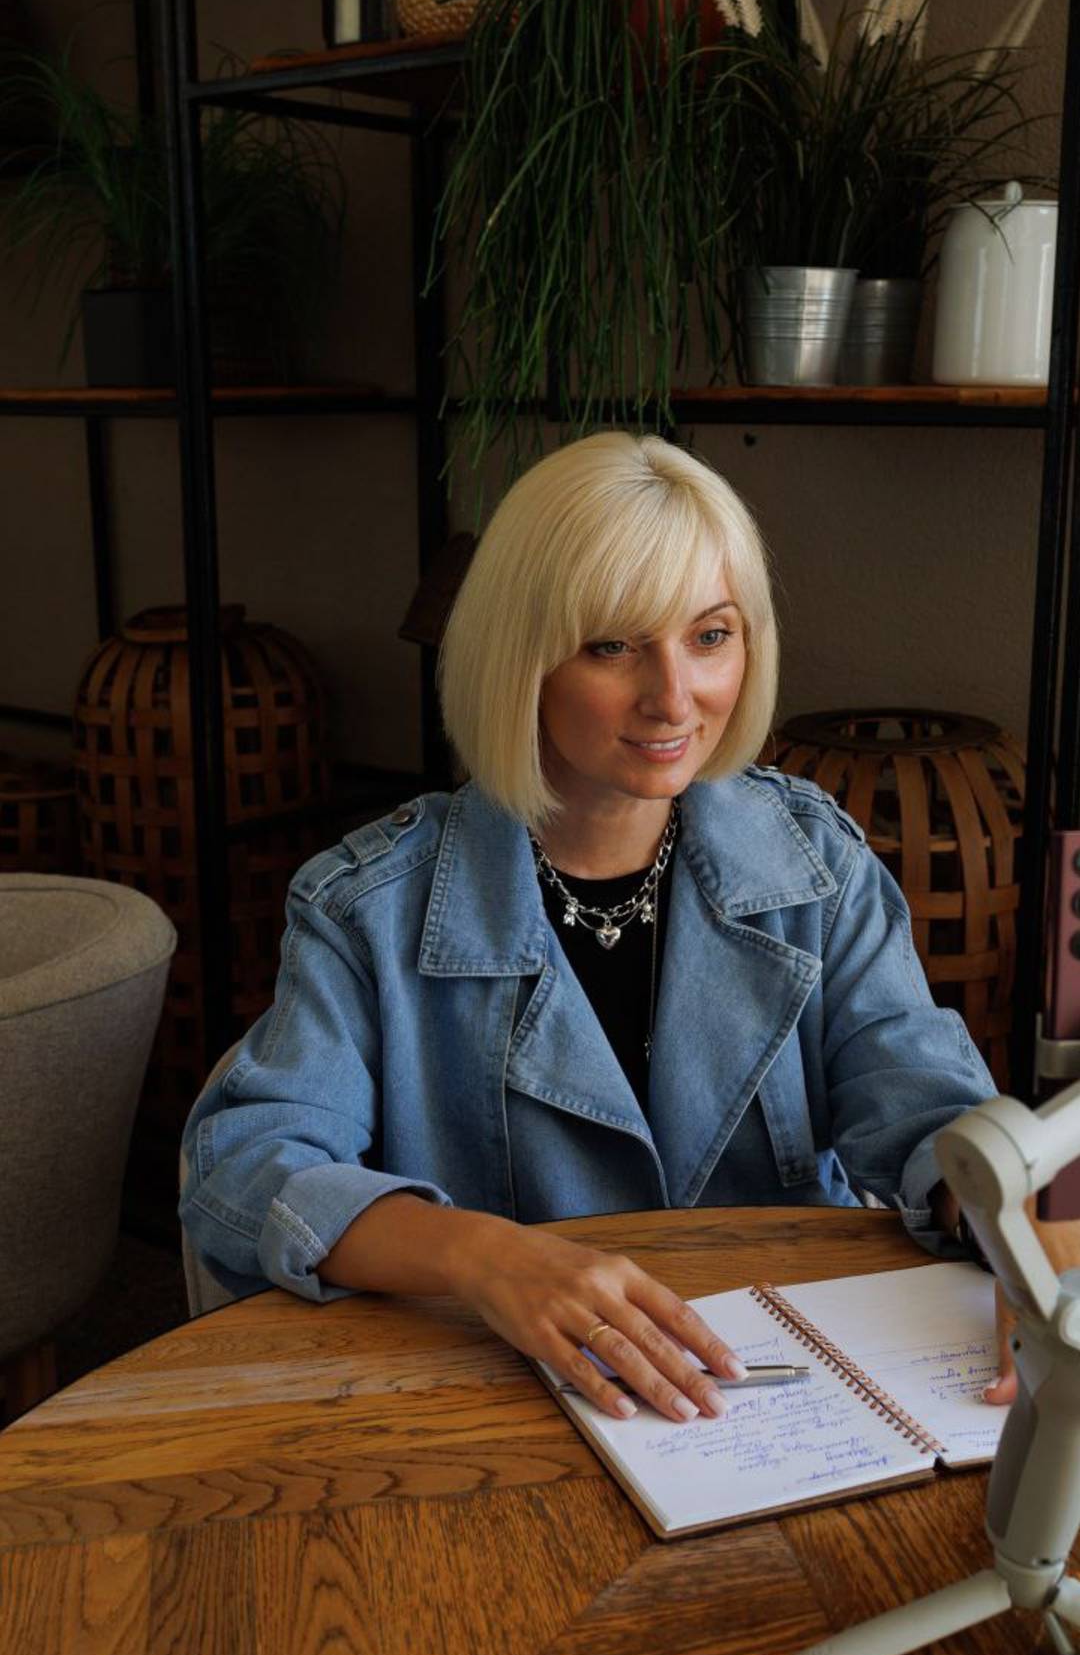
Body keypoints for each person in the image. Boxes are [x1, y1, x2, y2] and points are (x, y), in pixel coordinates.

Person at [181, 430, 1000, 1426]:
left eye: (710, 636)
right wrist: (484, 1256)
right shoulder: (368, 906)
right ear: (519, 658)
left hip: (778, 1396)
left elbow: (923, 1104)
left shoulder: (815, 861)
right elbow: (247, 1165)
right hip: (497, 1403)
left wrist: (1018, 1222)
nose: (675, 697)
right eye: (612, 645)